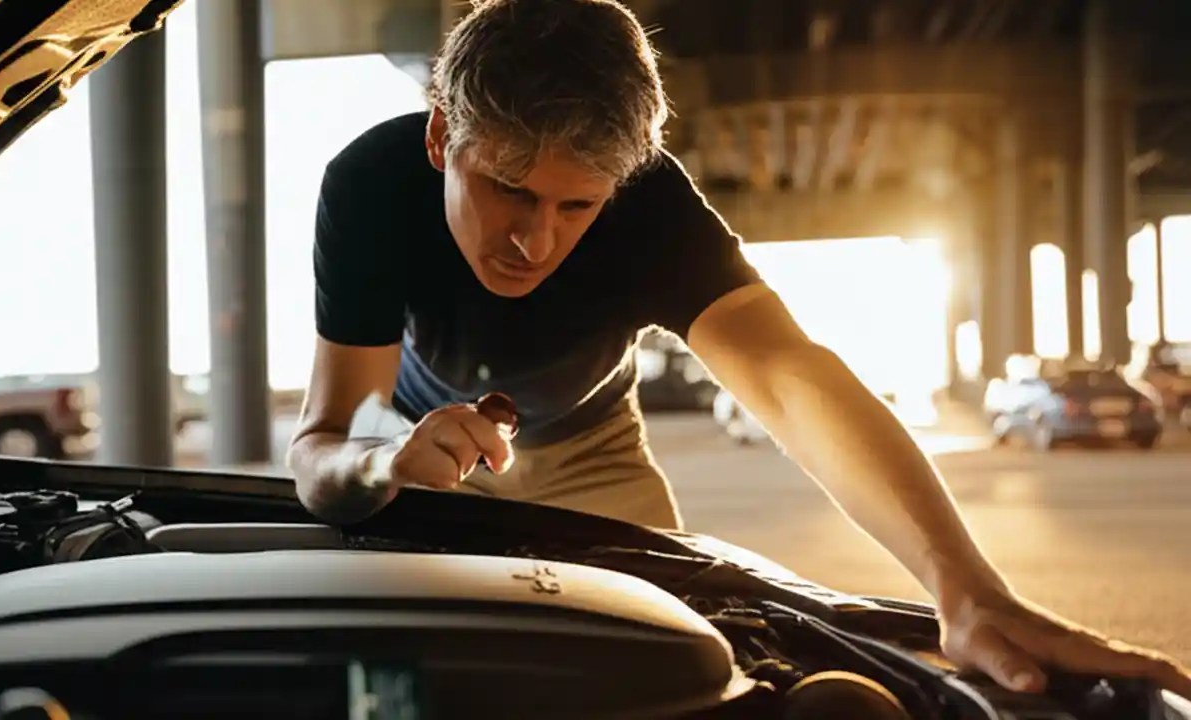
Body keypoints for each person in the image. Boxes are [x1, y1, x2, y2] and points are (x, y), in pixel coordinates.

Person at [287, 0, 1191, 700]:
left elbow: (790, 378)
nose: (538, 240)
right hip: (417, 445)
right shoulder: (368, 186)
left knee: (668, 676)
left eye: (578, 206)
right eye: (511, 190)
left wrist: (966, 589)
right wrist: (379, 459)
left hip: (598, 452)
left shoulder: (651, 204)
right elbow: (323, 443)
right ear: (445, 136)